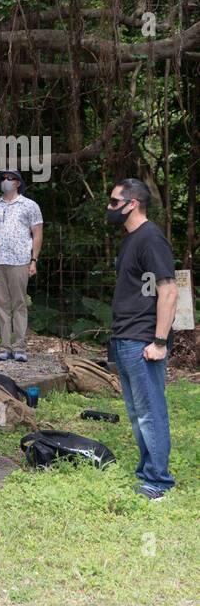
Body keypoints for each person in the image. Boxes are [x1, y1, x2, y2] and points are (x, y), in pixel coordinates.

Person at [107, 179, 177, 500]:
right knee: (137, 412)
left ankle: (158, 483)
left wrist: (159, 342)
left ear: (131, 204)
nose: (109, 208)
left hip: (143, 340)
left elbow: (169, 290)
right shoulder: (132, 239)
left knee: (151, 411)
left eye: (113, 202)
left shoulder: (151, 239)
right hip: (125, 337)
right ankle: (147, 473)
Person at [0, 170, 43, 362]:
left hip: (20, 261)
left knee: (19, 303)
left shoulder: (30, 205)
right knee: (1, 304)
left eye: (9, 178)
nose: (5, 181)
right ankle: (5, 347)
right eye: (3, 178)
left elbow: (37, 233)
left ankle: (19, 347)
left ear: (18, 183)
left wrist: (33, 260)